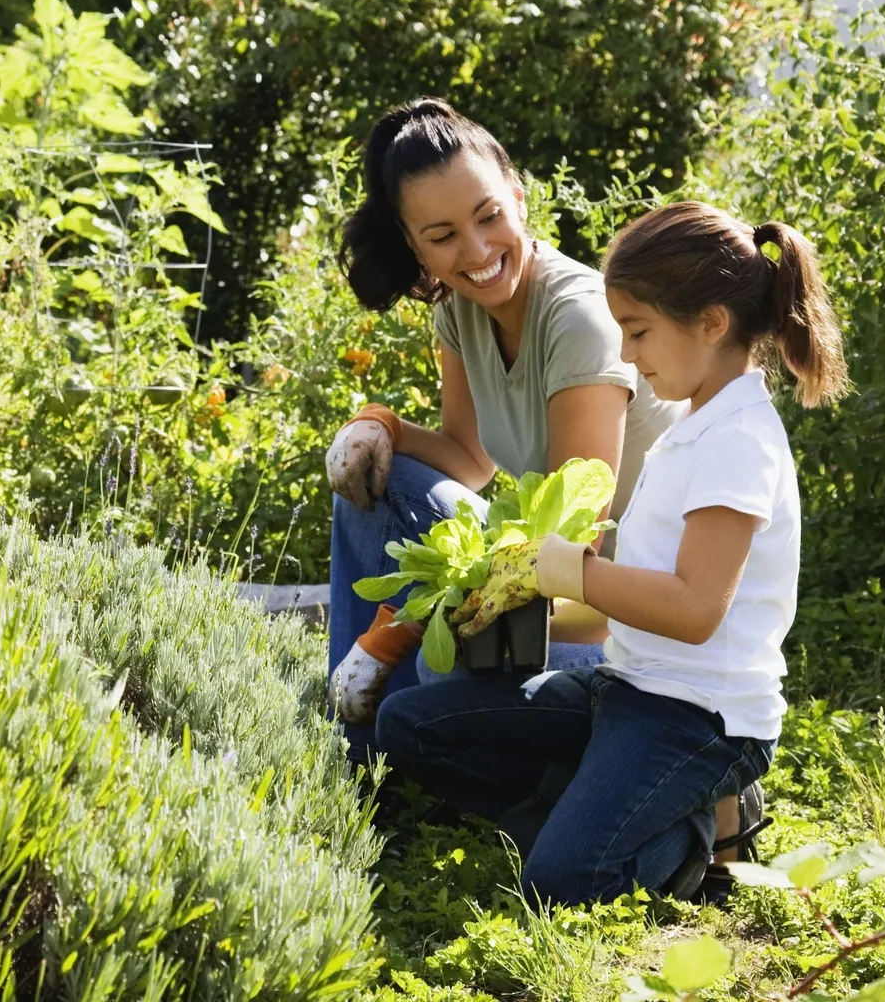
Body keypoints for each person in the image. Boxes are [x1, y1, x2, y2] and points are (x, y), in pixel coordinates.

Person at [375, 200, 850, 903]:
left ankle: (694, 831)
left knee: (560, 884)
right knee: (411, 724)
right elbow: (625, 608)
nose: (626, 355)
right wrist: (511, 609)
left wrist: (575, 570)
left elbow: (694, 612)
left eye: (638, 332)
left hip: (700, 718)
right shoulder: (692, 427)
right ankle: (596, 800)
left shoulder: (739, 443)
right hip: (626, 687)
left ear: (711, 324)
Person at [324, 98, 682, 747]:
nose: (478, 249)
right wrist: (383, 427)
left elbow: (571, 549)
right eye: (443, 237)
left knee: (439, 679)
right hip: (540, 592)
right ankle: (355, 759)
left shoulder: (578, 320)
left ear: (518, 198)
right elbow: (469, 458)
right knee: (372, 483)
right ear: (415, 244)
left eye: (489, 216)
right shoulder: (460, 310)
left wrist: (401, 630)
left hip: (619, 628)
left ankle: (392, 747)